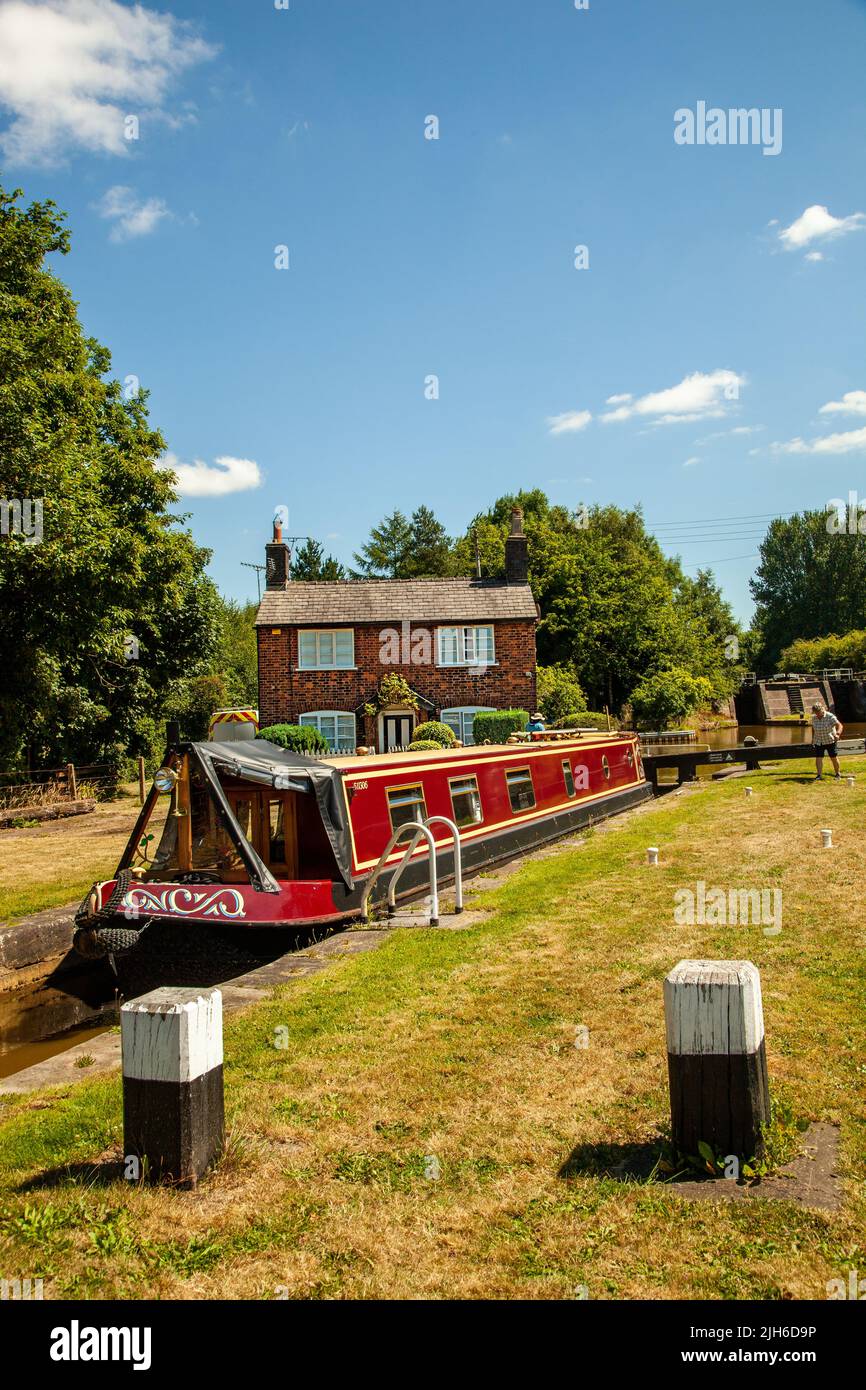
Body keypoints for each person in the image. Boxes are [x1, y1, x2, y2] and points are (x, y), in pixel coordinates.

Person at [811, 701, 843, 781]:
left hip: (830, 740)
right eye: (815, 712)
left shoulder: (830, 716)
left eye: (818, 712)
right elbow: (813, 728)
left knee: (833, 758)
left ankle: (838, 774)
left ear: (822, 709)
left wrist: (838, 734)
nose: (817, 714)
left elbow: (840, 725)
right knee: (818, 758)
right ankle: (819, 775)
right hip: (818, 741)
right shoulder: (814, 718)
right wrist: (813, 739)